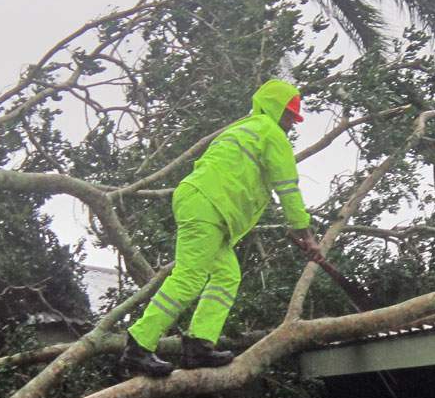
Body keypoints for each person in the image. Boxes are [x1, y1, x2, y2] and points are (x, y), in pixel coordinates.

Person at [118, 79, 319, 378]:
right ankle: (138, 345)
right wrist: (306, 234)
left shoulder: (243, 129)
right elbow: (288, 188)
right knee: (189, 277)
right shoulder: (271, 134)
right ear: (275, 108)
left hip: (203, 203)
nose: (292, 123)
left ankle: (198, 345)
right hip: (208, 205)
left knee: (227, 275)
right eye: (290, 115)